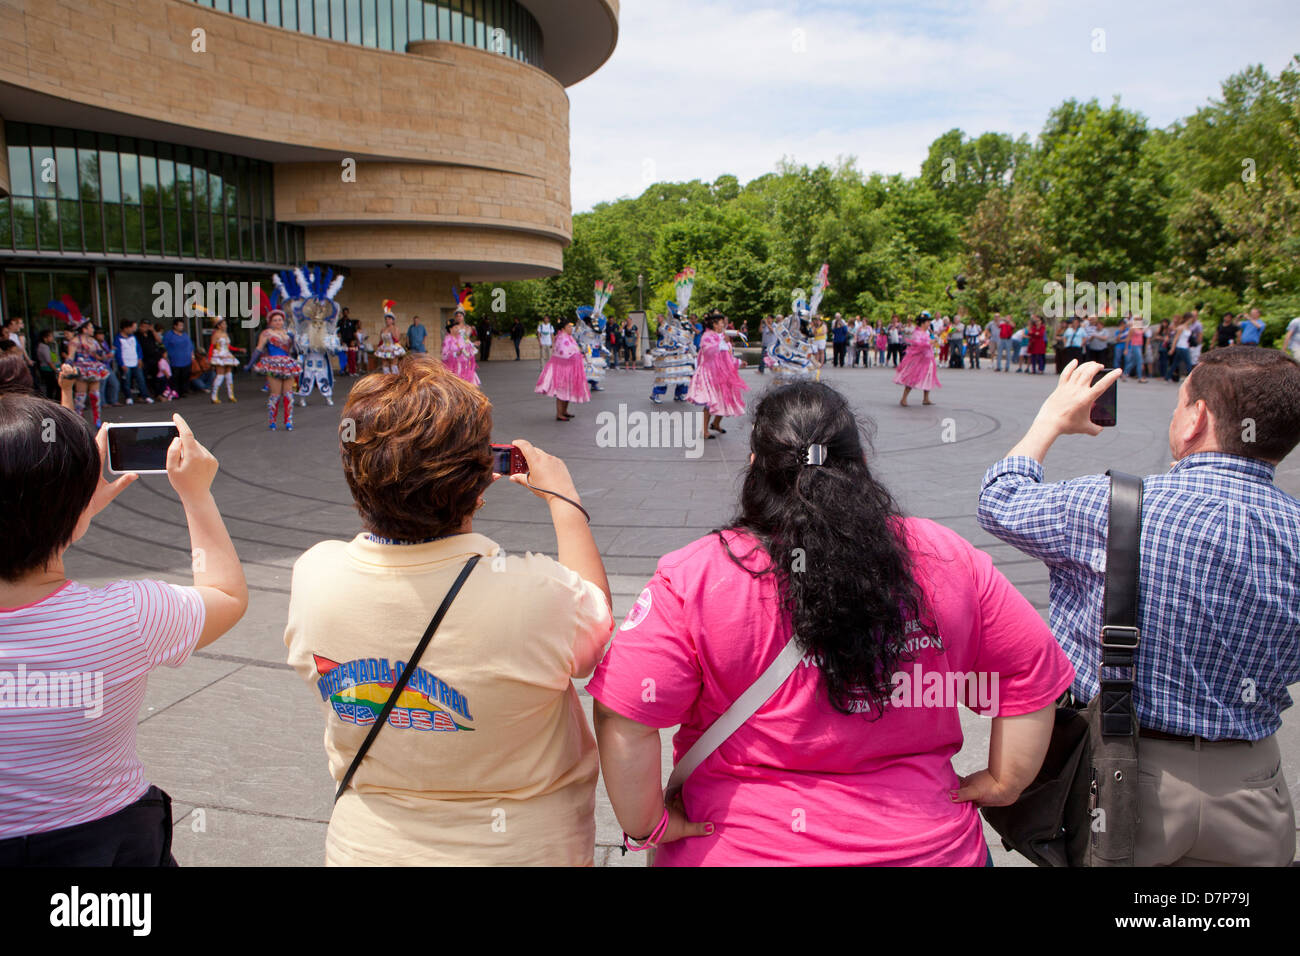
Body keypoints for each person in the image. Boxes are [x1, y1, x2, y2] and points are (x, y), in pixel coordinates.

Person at [588, 382, 1074, 865]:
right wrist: (1006, 780)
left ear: (756, 466)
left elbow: (625, 716)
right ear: (859, 461)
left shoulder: (696, 576)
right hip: (928, 847)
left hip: (742, 846)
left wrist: (646, 824)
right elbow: (1030, 672)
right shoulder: (947, 556)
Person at [284, 358, 613, 865]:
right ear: (479, 489)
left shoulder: (314, 575)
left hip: (367, 847)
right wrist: (563, 499)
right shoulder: (536, 593)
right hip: (525, 849)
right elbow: (597, 629)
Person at [978, 350, 1300, 866]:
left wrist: (1051, 420)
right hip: (1254, 787)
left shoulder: (1112, 505)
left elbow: (1000, 500)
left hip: (1126, 780)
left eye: (1180, 405)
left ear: (1197, 419)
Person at [0, 400, 247, 865]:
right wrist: (196, 495)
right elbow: (225, 595)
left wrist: (66, 511)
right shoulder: (128, 616)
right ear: (72, 510)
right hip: (108, 846)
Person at [686, 312, 748, 439]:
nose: (723, 325)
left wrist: (740, 362)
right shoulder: (707, 336)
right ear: (714, 324)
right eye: (721, 323)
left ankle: (715, 424)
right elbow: (708, 352)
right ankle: (704, 431)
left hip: (723, 374)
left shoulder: (723, 338)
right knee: (710, 402)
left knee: (726, 399)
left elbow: (728, 358)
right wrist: (722, 341)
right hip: (709, 374)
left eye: (723, 323)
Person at [254, 310, 302, 431]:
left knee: (289, 394)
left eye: (280, 320)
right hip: (273, 364)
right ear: (270, 322)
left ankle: (288, 421)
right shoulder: (266, 334)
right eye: (275, 320)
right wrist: (250, 364)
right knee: (275, 394)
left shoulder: (289, 334)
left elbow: (296, 349)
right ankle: (272, 420)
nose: (278, 322)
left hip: (287, 364)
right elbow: (259, 348)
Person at [535, 318, 588, 421]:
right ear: (564, 328)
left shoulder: (568, 337)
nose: (571, 328)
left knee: (567, 390)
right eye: (569, 326)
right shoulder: (561, 338)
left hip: (569, 368)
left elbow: (573, 349)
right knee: (561, 391)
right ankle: (559, 413)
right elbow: (563, 353)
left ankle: (564, 411)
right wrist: (576, 354)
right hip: (562, 369)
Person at [64, 321, 112, 429]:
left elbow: (100, 354)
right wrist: (67, 366)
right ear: (84, 329)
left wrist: (106, 354)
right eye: (91, 327)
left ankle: (97, 419)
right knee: (80, 396)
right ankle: (78, 420)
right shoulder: (75, 341)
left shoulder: (93, 341)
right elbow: (70, 356)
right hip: (81, 368)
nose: (93, 330)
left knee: (95, 395)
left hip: (94, 368)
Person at [895, 315, 940, 406]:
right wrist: (930, 342)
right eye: (927, 322)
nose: (929, 324)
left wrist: (934, 341)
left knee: (929, 376)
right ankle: (903, 398)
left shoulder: (926, 333)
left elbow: (929, 343)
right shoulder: (917, 333)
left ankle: (926, 398)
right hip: (919, 359)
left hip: (928, 358)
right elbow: (919, 344)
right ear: (923, 323)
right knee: (912, 377)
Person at [441, 309, 480, 386]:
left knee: (469, 384)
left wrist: (473, 345)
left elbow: (467, 344)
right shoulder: (447, 339)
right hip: (454, 367)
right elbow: (444, 355)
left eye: (457, 327)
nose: (458, 329)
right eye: (456, 327)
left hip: (464, 364)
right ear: (451, 329)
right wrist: (456, 353)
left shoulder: (462, 336)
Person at [207, 318, 241, 404]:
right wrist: (209, 358)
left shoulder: (225, 334)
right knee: (220, 375)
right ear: (218, 325)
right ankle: (214, 397)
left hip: (227, 355)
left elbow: (228, 347)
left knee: (229, 375)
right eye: (224, 324)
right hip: (219, 355)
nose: (225, 325)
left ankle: (231, 395)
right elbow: (212, 346)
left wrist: (238, 349)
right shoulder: (216, 335)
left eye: (225, 324)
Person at [162, 319, 194, 400]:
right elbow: (164, 346)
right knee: (175, 377)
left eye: (182, 325)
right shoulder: (169, 335)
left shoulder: (184, 335)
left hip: (186, 359)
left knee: (185, 376)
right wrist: (165, 356)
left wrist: (192, 355)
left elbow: (190, 345)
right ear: (175, 326)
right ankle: (175, 392)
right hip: (175, 360)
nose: (181, 327)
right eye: (179, 325)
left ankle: (183, 391)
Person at [375, 306, 406, 375]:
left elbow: (397, 339)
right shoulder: (383, 329)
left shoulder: (395, 328)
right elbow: (381, 340)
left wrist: (392, 332)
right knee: (385, 364)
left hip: (392, 349)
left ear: (393, 320)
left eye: (389, 319)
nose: (387, 320)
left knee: (393, 364)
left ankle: (395, 380)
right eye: (386, 319)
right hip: (385, 349)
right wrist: (380, 348)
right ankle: (387, 380)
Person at [1124, 315, 1148, 382]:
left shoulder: (1140, 328)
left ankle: (1124, 374)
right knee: (1140, 361)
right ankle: (1140, 377)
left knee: (1133, 362)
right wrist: (1126, 349)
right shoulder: (1132, 328)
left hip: (1140, 346)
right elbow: (1128, 338)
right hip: (1135, 346)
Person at [337, 307, 359, 375]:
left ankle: (351, 370)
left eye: (346, 312)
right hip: (343, 341)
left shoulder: (351, 322)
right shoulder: (340, 322)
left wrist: (357, 341)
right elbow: (338, 332)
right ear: (342, 313)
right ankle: (344, 369)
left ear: (348, 313)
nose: (345, 314)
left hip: (351, 342)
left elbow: (354, 332)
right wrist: (340, 340)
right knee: (344, 356)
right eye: (344, 312)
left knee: (351, 356)